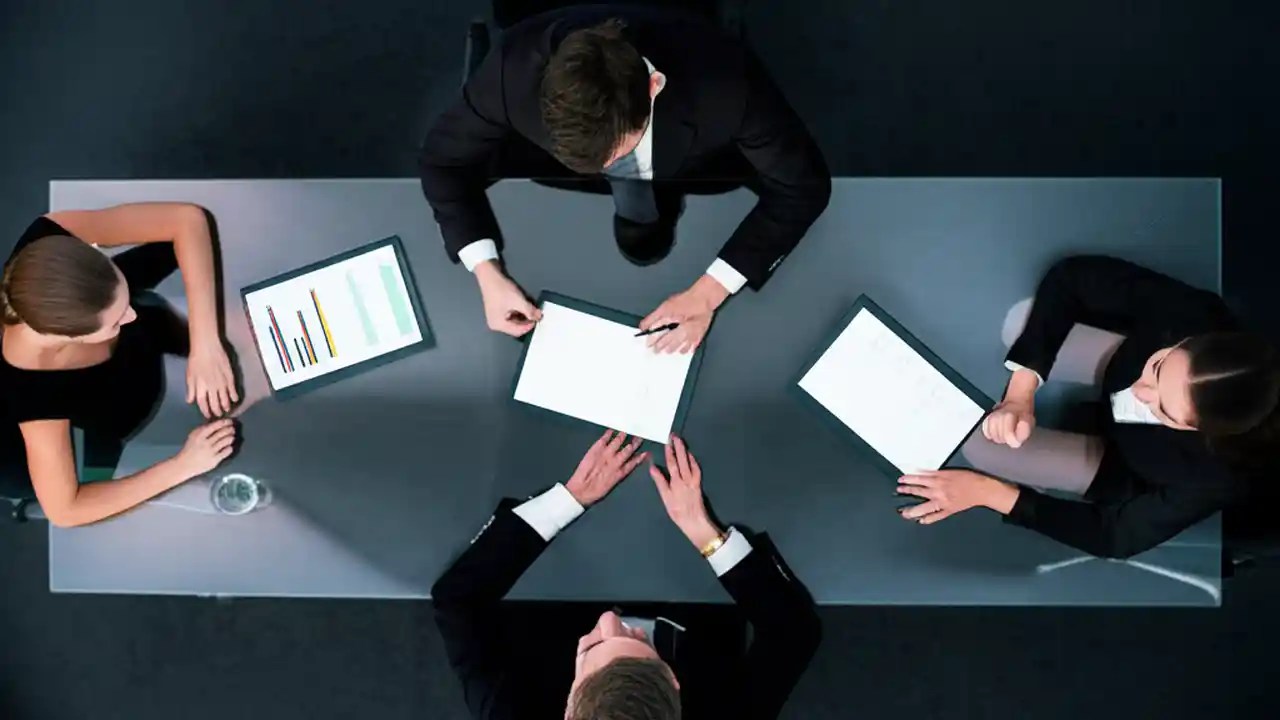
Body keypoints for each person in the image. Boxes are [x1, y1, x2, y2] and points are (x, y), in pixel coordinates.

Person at [419, 5, 831, 354]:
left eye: (614, 154)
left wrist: (708, 292)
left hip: (692, 161)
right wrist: (486, 272)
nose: (604, 170)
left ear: (655, 86)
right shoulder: (511, 72)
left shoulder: (725, 84)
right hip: (552, 180)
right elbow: (443, 162)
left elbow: (803, 187)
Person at [895, 255, 1279, 558]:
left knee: (979, 448)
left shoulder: (1217, 477)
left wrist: (987, 493)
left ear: (1201, 432)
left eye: (1165, 410)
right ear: (1184, 341)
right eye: (1158, 367)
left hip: (1124, 466)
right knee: (1019, 322)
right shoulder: (1191, 312)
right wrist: (1021, 391)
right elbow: (1074, 277)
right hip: (1115, 365)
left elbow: (1115, 537)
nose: (1141, 393)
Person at [431, 431, 821, 719]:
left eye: (591, 648)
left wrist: (568, 500)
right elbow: (795, 632)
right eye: (636, 639)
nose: (609, 619)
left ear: (569, 708)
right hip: (699, 613)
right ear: (672, 682)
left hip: (558, 600)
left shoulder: (509, 714)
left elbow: (457, 600)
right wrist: (706, 535)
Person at [0, 204, 240, 527]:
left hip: (127, 332)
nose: (131, 316)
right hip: (85, 419)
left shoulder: (48, 238)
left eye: (124, 305)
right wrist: (185, 465)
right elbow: (66, 510)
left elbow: (186, 219)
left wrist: (206, 342)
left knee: (140, 309)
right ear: (68, 338)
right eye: (116, 321)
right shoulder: (31, 393)